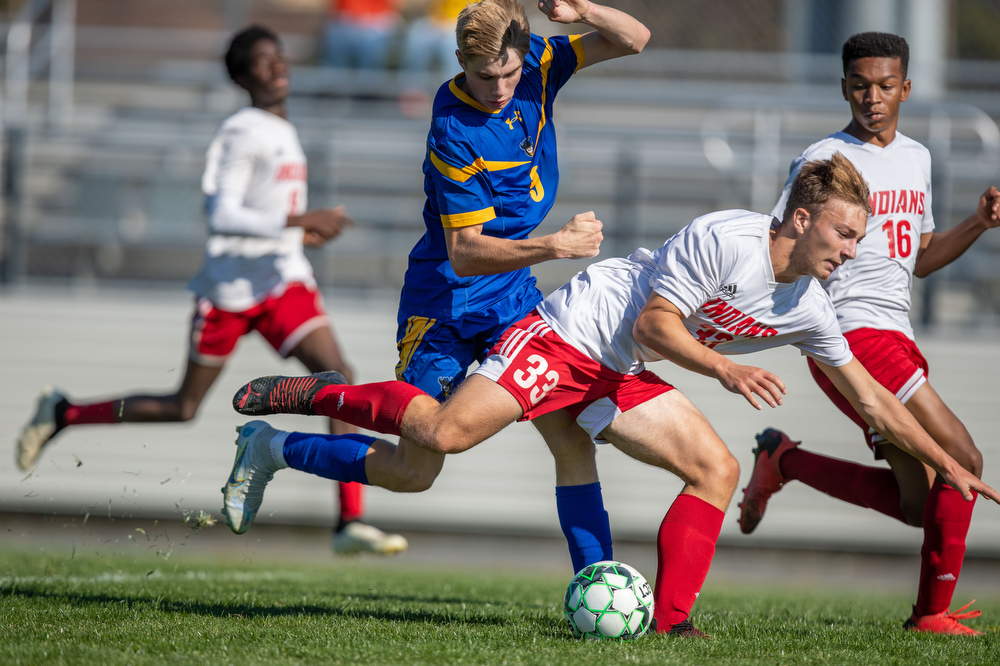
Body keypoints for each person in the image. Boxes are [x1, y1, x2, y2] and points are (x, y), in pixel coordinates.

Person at [224, 154, 999, 637]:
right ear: (801, 219)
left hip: (619, 367)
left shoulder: (810, 304)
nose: (852, 251)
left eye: (859, 239)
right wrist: (726, 370)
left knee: (715, 469)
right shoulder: (728, 239)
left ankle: (671, 626)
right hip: (574, 335)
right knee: (440, 441)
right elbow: (660, 329)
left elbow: (874, 402)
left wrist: (947, 463)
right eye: (843, 235)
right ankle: (321, 397)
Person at [15, 26, 407, 557]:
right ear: (243, 76)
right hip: (230, 291)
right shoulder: (241, 130)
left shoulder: (280, 126)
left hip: (281, 282)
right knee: (183, 407)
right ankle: (64, 413)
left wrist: (299, 231)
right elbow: (219, 215)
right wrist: (297, 219)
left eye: (280, 56)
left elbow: (264, 212)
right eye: (264, 62)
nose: (278, 66)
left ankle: (348, 521)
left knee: (337, 377)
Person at [737, 32, 1000, 637]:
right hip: (852, 335)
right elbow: (778, 241)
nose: (872, 97)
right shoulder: (824, 160)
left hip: (895, 332)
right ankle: (931, 615)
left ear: (906, 88)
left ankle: (785, 460)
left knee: (921, 505)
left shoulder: (918, 158)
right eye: (860, 85)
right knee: (963, 457)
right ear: (844, 87)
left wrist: (980, 224)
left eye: (885, 86)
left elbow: (921, 258)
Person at [392, 0, 649, 574]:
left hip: (512, 297)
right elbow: (465, 253)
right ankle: (276, 446)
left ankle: (596, 578)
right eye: (485, 75)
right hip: (446, 306)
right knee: (416, 470)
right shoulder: (452, 129)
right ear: (460, 61)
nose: (502, 87)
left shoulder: (536, 60)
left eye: (509, 73)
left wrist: (581, 8)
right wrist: (557, 246)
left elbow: (634, 38)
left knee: (569, 430)